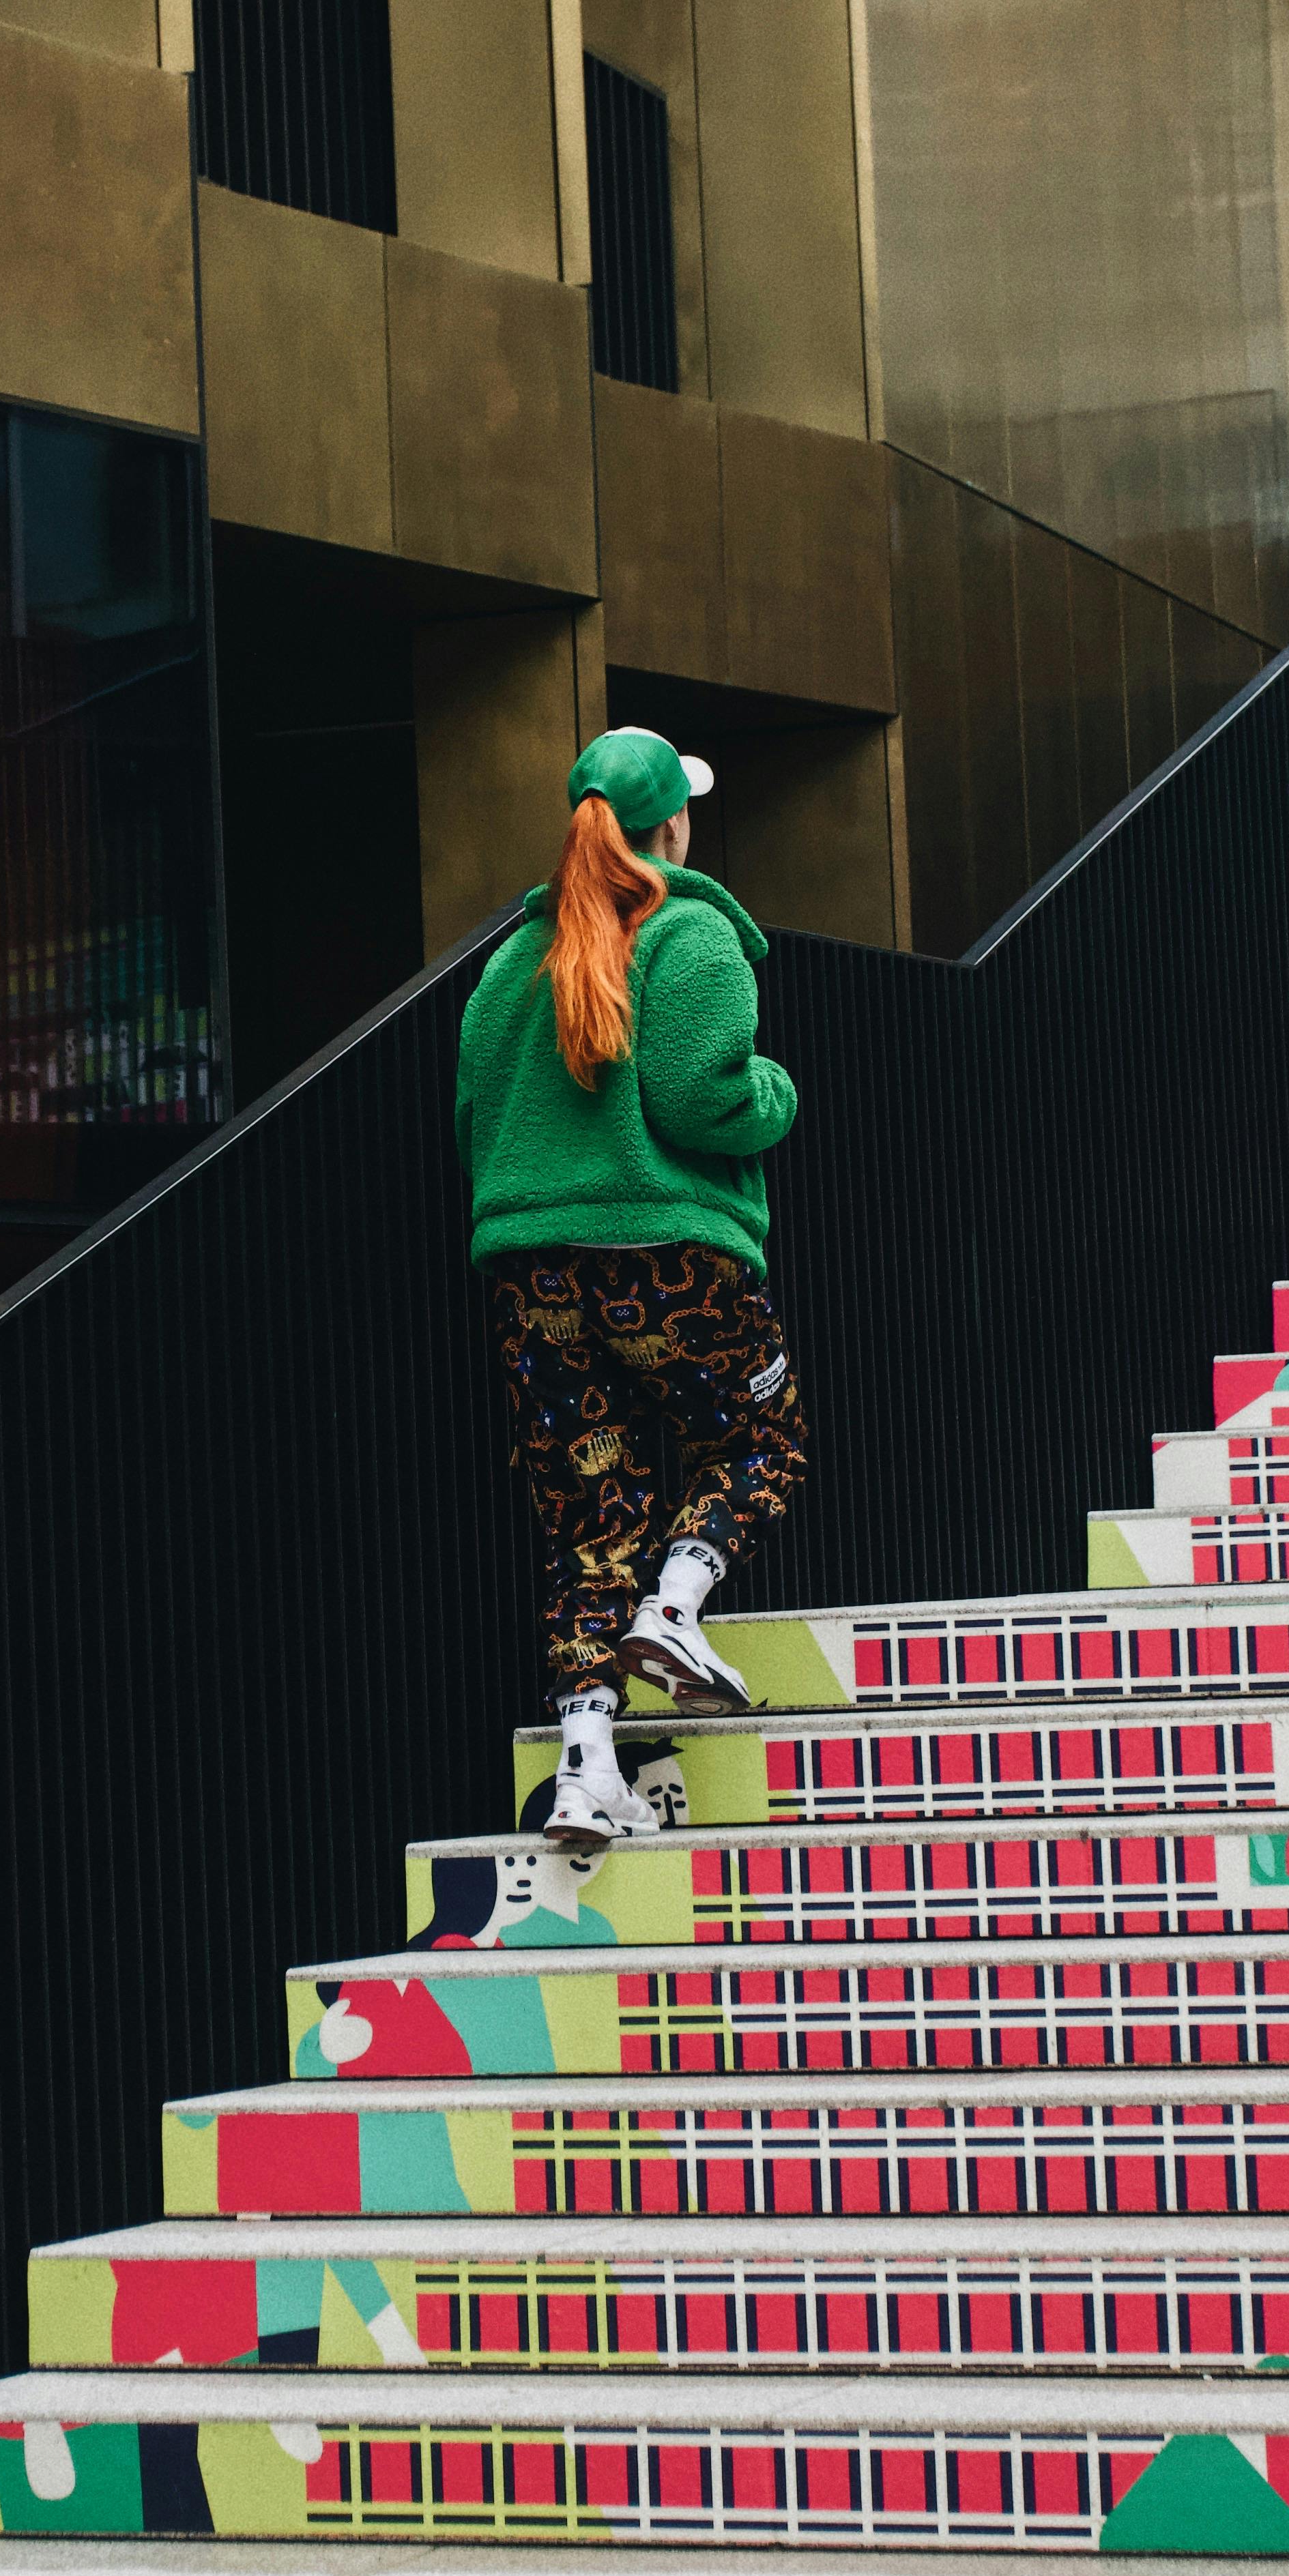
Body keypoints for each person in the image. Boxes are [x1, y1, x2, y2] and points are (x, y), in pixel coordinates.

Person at [453, 726, 806, 1852]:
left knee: (584, 1512)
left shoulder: (512, 963)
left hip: (533, 1270)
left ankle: (584, 1769)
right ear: (672, 828)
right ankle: (676, 1610)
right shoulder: (691, 930)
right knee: (759, 1438)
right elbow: (705, 1097)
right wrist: (777, 1094)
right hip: (671, 1256)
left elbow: (474, 1120)